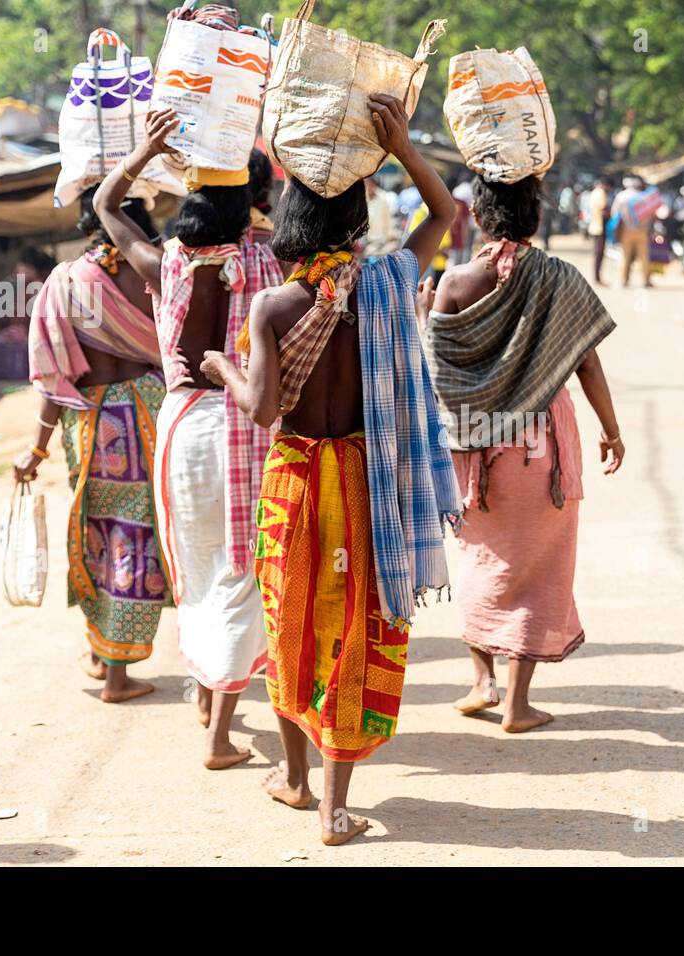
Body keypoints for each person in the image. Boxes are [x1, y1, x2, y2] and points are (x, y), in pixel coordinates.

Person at [200, 93, 460, 845]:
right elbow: (443, 214)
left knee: (289, 626)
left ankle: (293, 776)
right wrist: (406, 147)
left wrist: (222, 367)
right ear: (355, 224)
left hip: (295, 483)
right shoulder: (383, 284)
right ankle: (334, 806)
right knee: (352, 627)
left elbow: (260, 408)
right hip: (365, 484)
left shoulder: (275, 305)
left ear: (286, 225)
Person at [95, 108, 281, 769]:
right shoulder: (271, 261)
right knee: (242, 571)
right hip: (240, 421)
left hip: (178, 425)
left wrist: (144, 152)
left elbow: (105, 204)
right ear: (253, 204)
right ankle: (218, 732)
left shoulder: (167, 261)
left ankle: (207, 697)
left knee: (195, 566)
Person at [420, 173, 624, 734]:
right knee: (539, 565)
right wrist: (611, 429)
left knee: (481, 558)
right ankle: (517, 703)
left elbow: (437, 370)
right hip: (543, 446)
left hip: (476, 450)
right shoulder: (560, 277)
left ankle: (480, 678)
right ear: (535, 217)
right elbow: (586, 362)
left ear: (479, 218)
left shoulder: (455, 282)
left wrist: (420, 315)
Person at [14, 187, 170, 703]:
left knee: (101, 534)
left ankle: (109, 659)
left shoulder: (64, 281)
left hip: (92, 422)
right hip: (150, 410)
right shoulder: (159, 272)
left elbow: (52, 378)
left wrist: (35, 451)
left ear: (88, 225)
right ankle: (117, 667)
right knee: (142, 536)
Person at [612, 175, 655, 288]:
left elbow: (615, 214)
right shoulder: (643, 196)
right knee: (644, 256)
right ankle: (646, 281)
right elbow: (650, 214)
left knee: (625, 256)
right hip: (642, 231)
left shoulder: (621, 196)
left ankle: (623, 280)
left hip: (625, 231)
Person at [587, 177, 612, 284]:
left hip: (594, 226)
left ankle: (597, 276)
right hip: (600, 227)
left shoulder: (594, 192)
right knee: (599, 253)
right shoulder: (600, 193)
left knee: (598, 253)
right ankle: (597, 277)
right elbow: (603, 210)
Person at [364, 176, 395, 255]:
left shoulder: (382, 200)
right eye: (367, 185)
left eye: (371, 185)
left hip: (378, 240)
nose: (369, 187)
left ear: (375, 186)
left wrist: (389, 237)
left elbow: (388, 220)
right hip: (364, 241)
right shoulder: (362, 200)